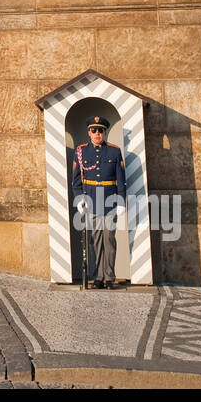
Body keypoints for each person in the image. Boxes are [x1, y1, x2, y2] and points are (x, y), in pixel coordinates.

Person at [70, 116, 126, 289]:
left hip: (110, 200)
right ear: (89, 132)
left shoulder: (114, 151)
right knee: (96, 240)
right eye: (93, 130)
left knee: (109, 239)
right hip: (92, 199)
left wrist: (121, 201)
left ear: (105, 132)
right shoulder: (81, 151)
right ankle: (98, 277)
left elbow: (121, 179)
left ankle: (109, 277)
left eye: (100, 130)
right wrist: (79, 199)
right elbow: (76, 180)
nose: (97, 134)